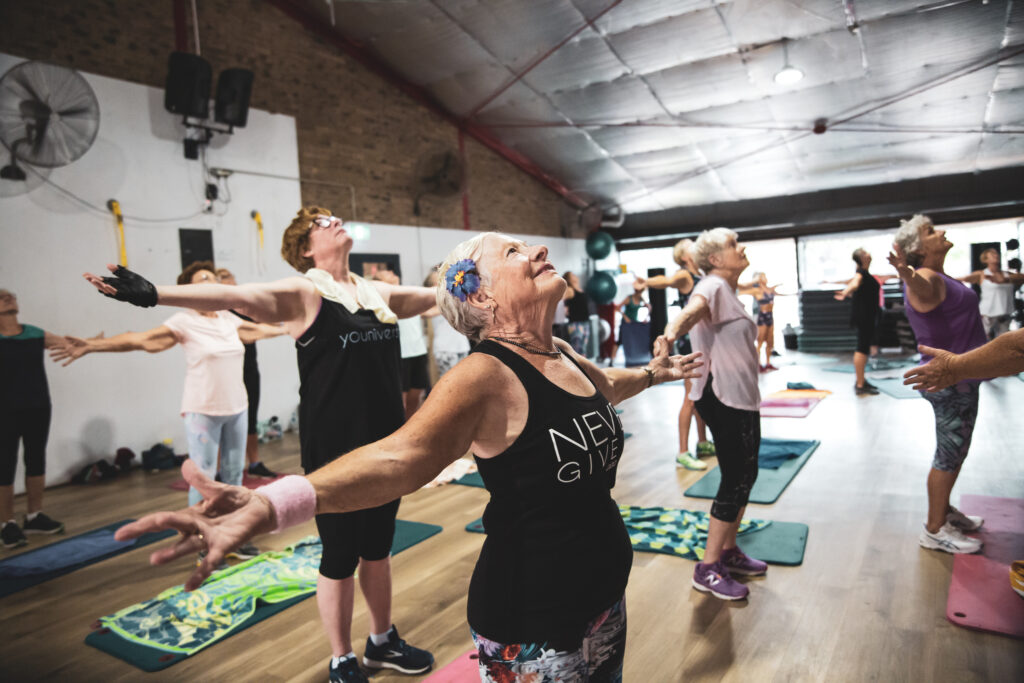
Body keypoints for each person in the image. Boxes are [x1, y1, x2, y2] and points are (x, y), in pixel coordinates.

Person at [111, 232, 702, 682]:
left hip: (602, 596)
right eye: (516, 252)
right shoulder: (483, 376)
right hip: (535, 615)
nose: (539, 249)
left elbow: (606, 385)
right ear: (480, 294)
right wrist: (271, 504)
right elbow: (401, 457)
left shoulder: (564, 354)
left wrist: (654, 373)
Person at [80, 208, 437, 683]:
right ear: (306, 249)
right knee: (339, 555)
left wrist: (485, 282)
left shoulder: (377, 293)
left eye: (334, 217)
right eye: (321, 222)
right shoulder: (304, 292)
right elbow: (233, 293)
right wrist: (155, 293)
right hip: (334, 450)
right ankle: (341, 657)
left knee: (378, 548)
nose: (334, 222)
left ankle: (381, 641)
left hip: (385, 445)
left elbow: (439, 297)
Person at [54, 261, 285, 562]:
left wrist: (297, 325)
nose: (210, 283)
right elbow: (141, 340)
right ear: (189, 290)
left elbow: (261, 330)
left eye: (213, 279)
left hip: (237, 408)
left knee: (232, 476)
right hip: (202, 410)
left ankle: (234, 535)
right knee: (202, 478)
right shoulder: (184, 321)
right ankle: (198, 539)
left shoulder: (229, 319)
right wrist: (93, 345)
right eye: (202, 279)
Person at [663, 228, 767, 601]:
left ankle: (728, 551)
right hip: (721, 395)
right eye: (731, 244)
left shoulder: (728, 290)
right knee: (736, 476)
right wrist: (670, 334)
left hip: (740, 397)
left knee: (746, 474)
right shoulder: (712, 285)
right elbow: (692, 311)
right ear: (714, 260)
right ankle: (707, 568)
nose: (741, 248)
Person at [889, 215, 988, 555]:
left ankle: (943, 510)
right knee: (948, 453)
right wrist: (906, 273)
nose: (942, 231)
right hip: (947, 381)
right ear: (918, 248)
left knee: (957, 449)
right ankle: (933, 530)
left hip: (961, 377)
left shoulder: (943, 275)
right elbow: (923, 288)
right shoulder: (927, 277)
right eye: (931, 231)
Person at [634, 239, 715, 470]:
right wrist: (646, 281)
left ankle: (703, 442)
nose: (697, 245)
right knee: (690, 398)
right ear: (683, 255)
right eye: (691, 244)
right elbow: (666, 281)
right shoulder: (684, 275)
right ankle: (682, 452)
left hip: (703, 343)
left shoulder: (701, 275)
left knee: (699, 395)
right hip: (691, 345)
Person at [0, 289, 69, 549]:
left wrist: (93, 343)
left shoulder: (34, 333)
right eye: (1, 297)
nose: (8, 299)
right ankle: (7, 524)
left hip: (38, 407)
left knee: (36, 459)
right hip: (4, 411)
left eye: (11, 296)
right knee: (4, 465)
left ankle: (33, 516)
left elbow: (67, 343)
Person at [216, 268, 277, 478]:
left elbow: (268, 324)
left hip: (249, 369)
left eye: (234, 283)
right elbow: (249, 335)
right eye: (228, 284)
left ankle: (254, 462)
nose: (233, 288)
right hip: (225, 372)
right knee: (221, 420)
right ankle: (216, 469)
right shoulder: (217, 314)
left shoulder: (246, 310)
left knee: (251, 416)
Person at [834, 248, 894, 395]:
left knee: (865, 348)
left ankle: (861, 381)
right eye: (866, 253)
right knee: (862, 348)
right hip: (864, 317)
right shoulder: (860, 274)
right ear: (860, 258)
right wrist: (846, 292)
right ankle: (860, 385)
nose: (869, 254)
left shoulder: (866, 274)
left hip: (868, 316)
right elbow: (854, 284)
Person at [903, 329, 1024, 391]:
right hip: (952, 375)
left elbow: (1016, 352)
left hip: (960, 371)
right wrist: (954, 366)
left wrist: (955, 365)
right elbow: (1016, 351)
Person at [957, 248, 1024, 340]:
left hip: (1005, 313)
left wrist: (1005, 280)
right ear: (985, 259)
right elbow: (963, 279)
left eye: (996, 254)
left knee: (1004, 341)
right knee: (983, 340)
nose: (996, 255)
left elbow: (1021, 277)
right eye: (992, 254)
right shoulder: (982, 274)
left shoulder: (1007, 275)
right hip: (988, 314)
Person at [424, 268, 470, 377]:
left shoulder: (455, 296)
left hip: (462, 346)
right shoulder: (434, 301)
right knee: (451, 384)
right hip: (446, 349)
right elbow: (426, 313)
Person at [739, 272, 782, 372]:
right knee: (760, 342)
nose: (764, 278)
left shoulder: (770, 290)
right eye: (762, 277)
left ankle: (768, 363)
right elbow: (739, 290)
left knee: (770, 342)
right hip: (760, 317)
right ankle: (758, 364)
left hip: (770, 317)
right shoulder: (755, 290)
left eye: (764, 276)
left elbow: (783, 294)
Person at [562, 271, 591, 356]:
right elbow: (560, 299)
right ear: (569, 279)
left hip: (585, 322)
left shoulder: (579, 289)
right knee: (577, 348)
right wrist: (565, 307)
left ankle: (582, 368)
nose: (575, 275)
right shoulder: (570, 290)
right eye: (573, 275)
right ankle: (576, 368)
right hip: (576, 323)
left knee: (583, 349)